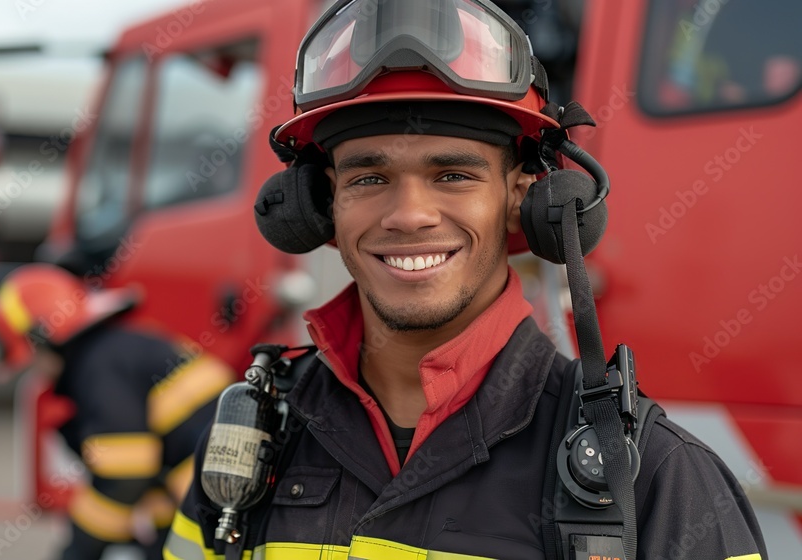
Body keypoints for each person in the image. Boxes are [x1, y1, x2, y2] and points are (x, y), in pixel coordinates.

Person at [165, 1, 767, 559]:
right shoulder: (247, 446)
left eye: (453, 175)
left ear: (525, 203)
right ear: (321, 210)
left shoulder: (660, 478)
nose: (408, 215)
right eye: (368, 179)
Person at [0, 263, 235, 559]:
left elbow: (123, 477)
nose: (33, 369)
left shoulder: (97, 368)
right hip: (222, 496)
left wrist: (76, 551)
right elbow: (152, 476)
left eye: (30, 355)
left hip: (222, 502)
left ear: (43, 339)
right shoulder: (116, 349)